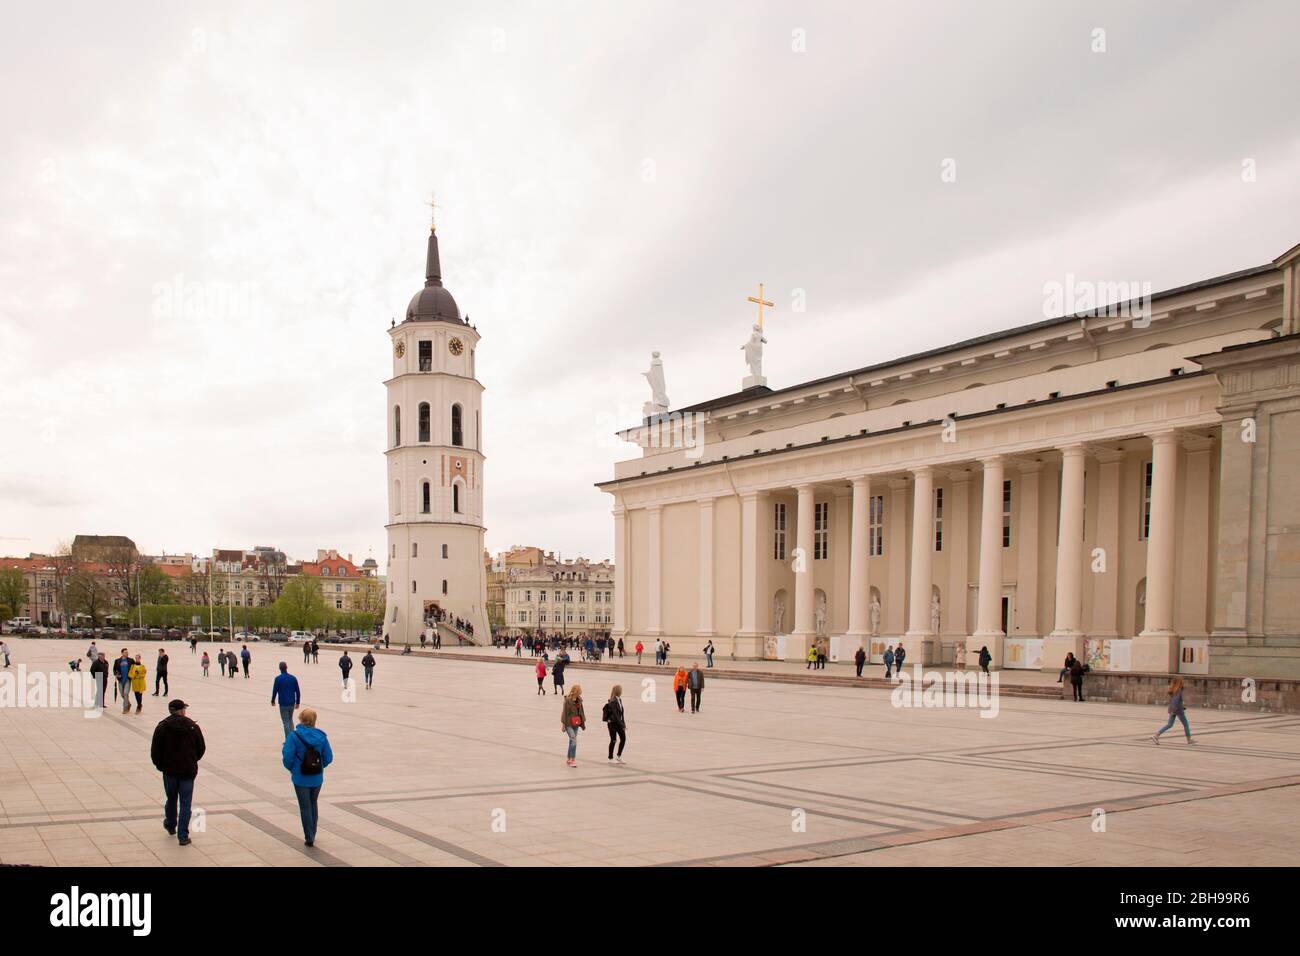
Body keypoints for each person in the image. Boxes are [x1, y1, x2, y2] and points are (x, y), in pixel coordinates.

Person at [150, 698, 206, 847]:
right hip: (187, 771)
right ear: (181, 711)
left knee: (171, 798)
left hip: (170, 771)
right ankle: (183, 835)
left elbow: (155, 751)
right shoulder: (193, 727)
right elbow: (201, 748)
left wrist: (161, 766)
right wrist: (192, 760)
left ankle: (170, 824)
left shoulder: (162, 727)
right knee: (186, 803)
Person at [282, 707, 333, 847]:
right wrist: (320, 766)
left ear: (301, 720)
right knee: (313, 803)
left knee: (305, 806)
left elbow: (287, 756)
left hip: (300, 778)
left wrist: (293, 768)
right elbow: (328, 757)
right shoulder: (321, 737)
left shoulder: (294, 736)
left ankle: (309, 836)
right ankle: (313, 832)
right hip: (316, 778)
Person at [1152, 677, 1195, 745]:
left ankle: (1156, 736)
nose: (1183, 682)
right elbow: (1176, 701)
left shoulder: (1173, 690)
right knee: (1186, 724)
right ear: (1179, 682)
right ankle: (1189, 740)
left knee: (1169, 724)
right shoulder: (1179, 690)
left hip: (1172, 709)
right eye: (1182, 681)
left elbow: (1174, 701)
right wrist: (1179, 708)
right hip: (1177, 710)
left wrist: (1181, 706)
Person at [271, 662, 302, 738]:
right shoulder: (293, 678)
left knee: (286, 721)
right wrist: (298, 702)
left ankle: (289, 739)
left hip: (283, 703)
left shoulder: (278, 679)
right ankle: (293, 738)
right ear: (286, 667)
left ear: (280, 668)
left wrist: (272, 700)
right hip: (291, 703)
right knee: (290, 719)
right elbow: (298, 691)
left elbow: (275, 690)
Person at [561, 685, 586, 767]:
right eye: (579, 690)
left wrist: (583, 723)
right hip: (568, 723)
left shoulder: (579, 700)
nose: (580, 692)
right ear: (576, 691)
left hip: (576, 723)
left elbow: (581, 712)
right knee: (573, 740)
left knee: (572, 741)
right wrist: (563, 725)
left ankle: (568, 758)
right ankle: (573, 759)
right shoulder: (568, 700)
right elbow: (564, 712)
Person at [603, 684, 626, 764]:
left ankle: (619, 756)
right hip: (612, 723)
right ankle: (610, 758)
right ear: (618, 691)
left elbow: (621, 713)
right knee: (613, 740)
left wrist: (623, 723)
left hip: (619, 723)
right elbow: (616, 715)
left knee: (623, 739)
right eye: (621, 690)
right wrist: (621, 724)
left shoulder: (619, 700)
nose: (622, 691)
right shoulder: (613, 701)